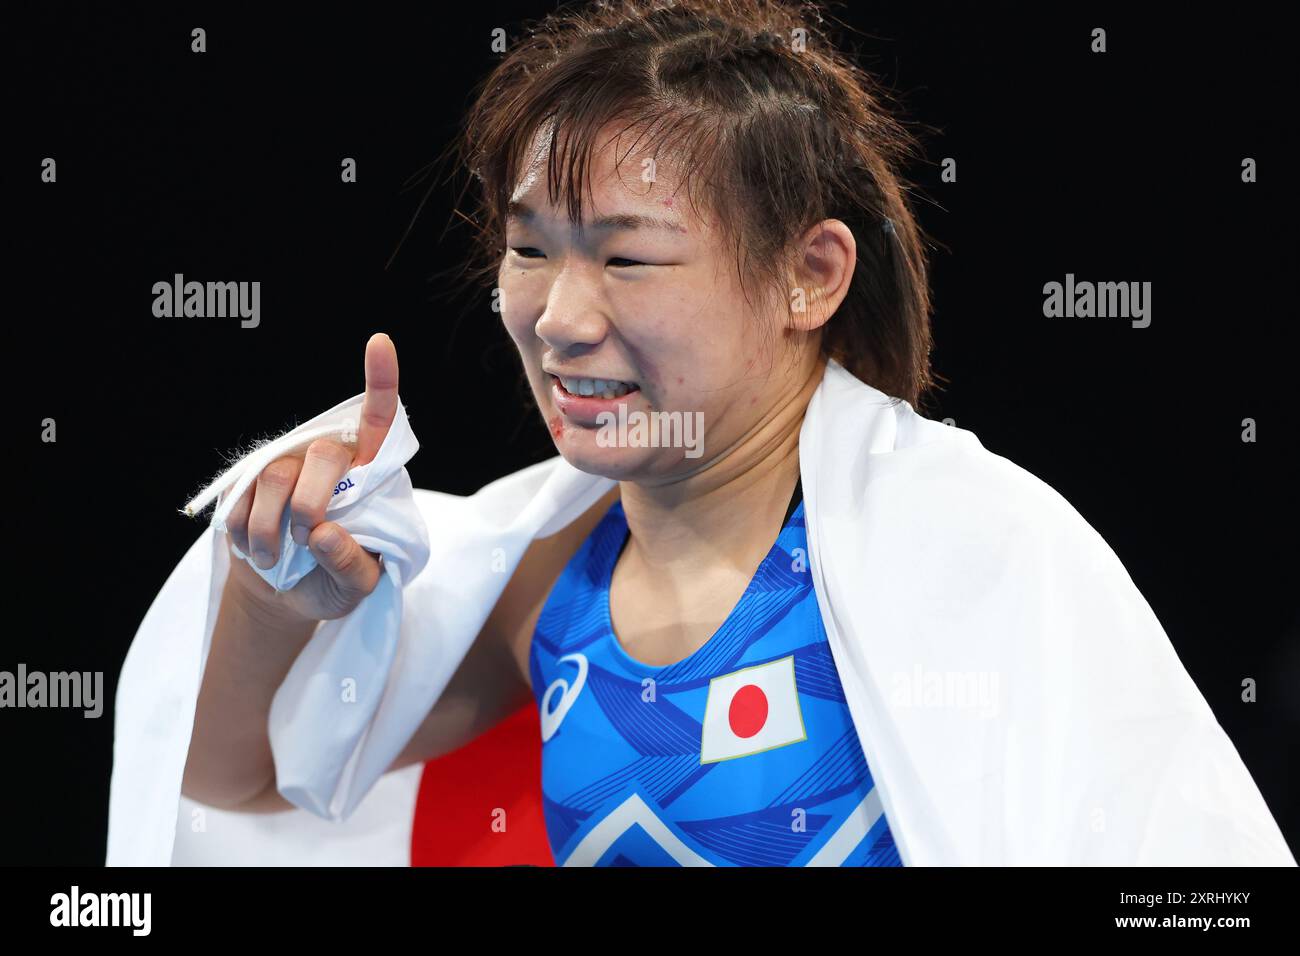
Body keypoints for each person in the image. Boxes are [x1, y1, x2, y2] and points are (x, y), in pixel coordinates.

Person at [114, 0, 1295, 866]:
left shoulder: (983, 553)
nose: (558, 318)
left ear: (809, 274)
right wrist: (272, 592)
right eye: (530, 247)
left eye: (628, 255)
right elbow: (234, 781)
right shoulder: (543, 592)